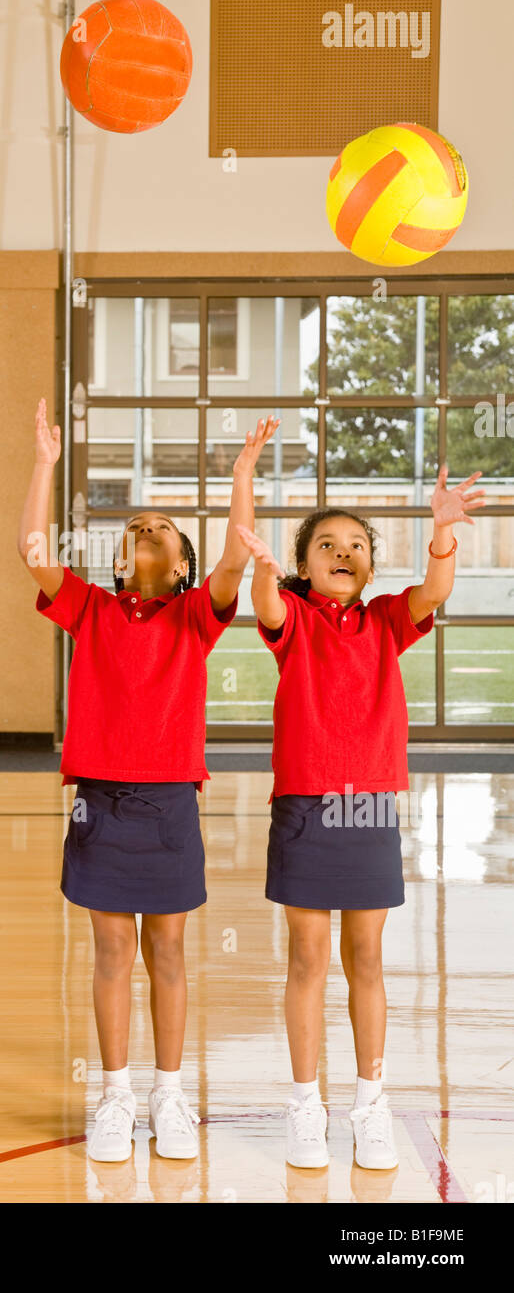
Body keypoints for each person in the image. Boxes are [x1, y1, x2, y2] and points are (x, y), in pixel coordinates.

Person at [19, 397, 279, 1162]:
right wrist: (43, 463)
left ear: (184, 564)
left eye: (162, 528)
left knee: (167, 951)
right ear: (119, 558)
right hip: (100, 802)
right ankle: (114, 1096)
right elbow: (35, 549)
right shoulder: (92, 609)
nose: (145, 530)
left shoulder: (198, 615)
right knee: (108, 954)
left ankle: (169, 1094)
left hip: (168, 802)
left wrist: (241, 474)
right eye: (136, 528)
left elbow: (236, 557)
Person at [236, 463, 485, 1170]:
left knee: (368, 958)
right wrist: (260, 569)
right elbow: (269, 606)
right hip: (307, 805)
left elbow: (436, 589)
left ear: (371, 562)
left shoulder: (384, 621)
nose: (343, 552)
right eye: (326, 545)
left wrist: (441, 533)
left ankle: (371, 1103)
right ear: (303, 565)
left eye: (356, 543)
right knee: (308, 958)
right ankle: (305, 1105)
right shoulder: (295, 619)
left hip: (370, 805)